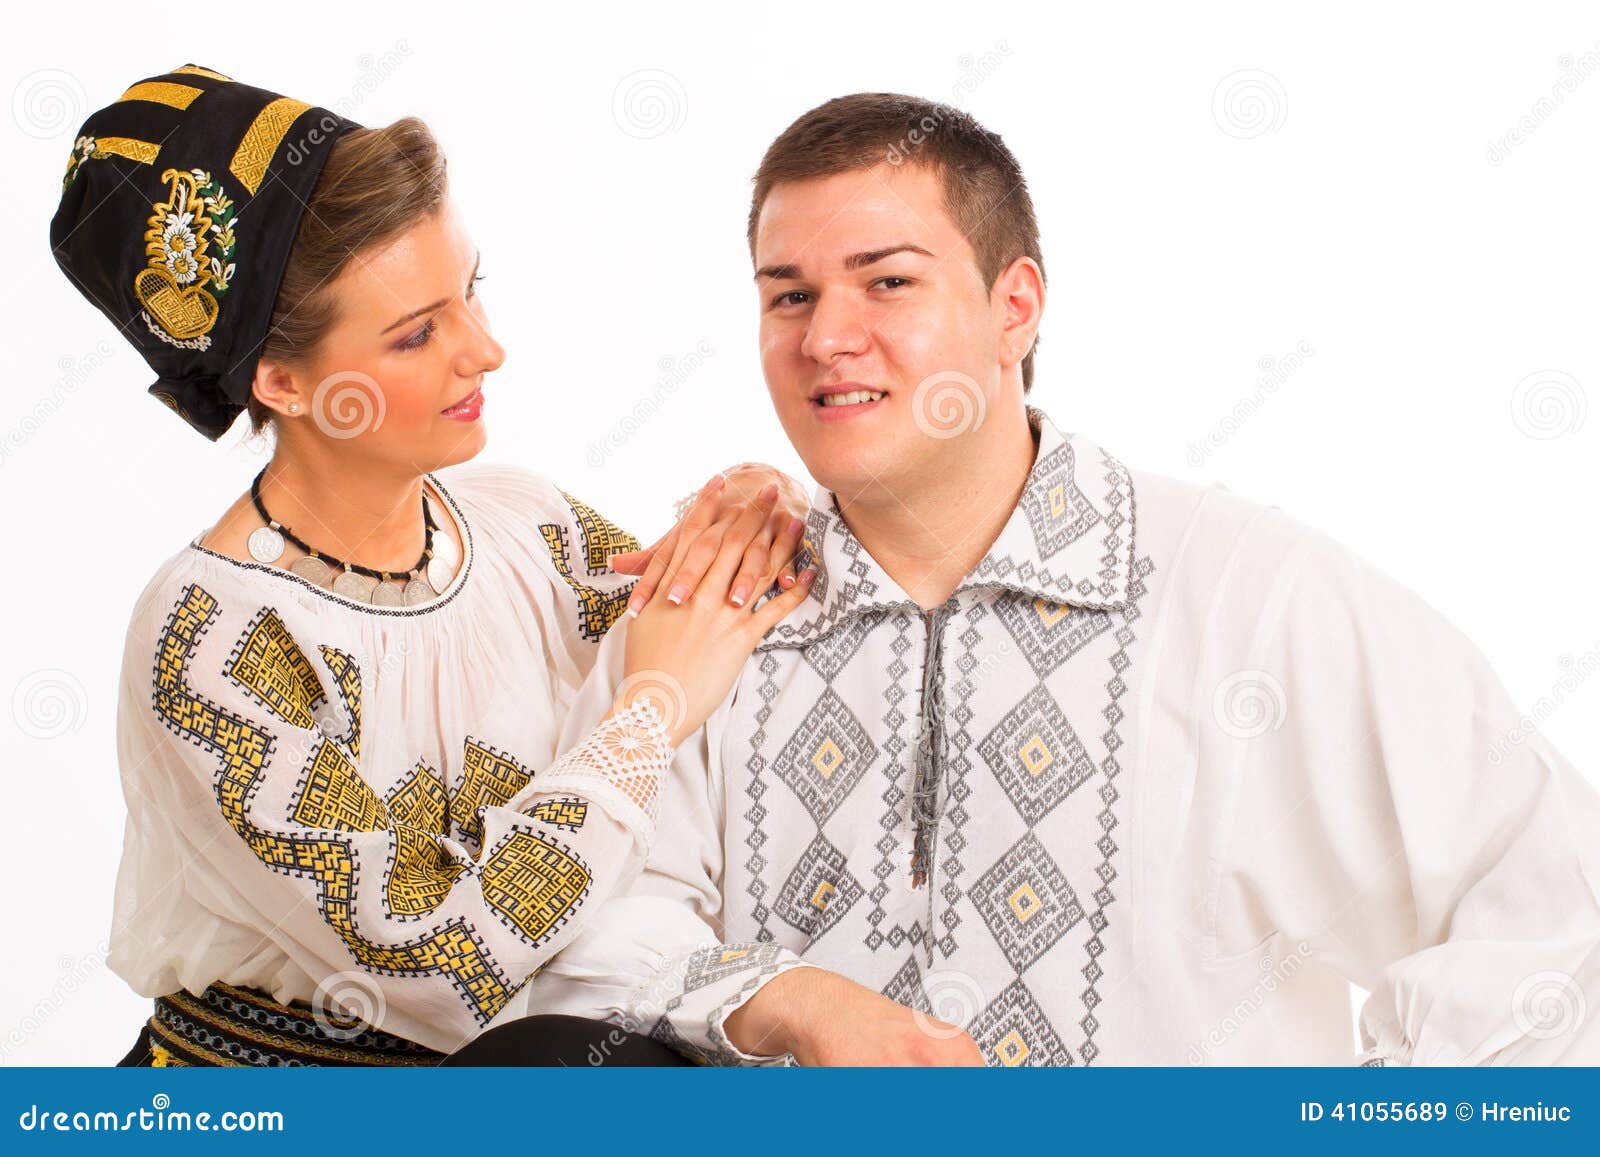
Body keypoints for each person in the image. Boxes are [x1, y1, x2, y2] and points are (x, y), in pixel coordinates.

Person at [520, 93, 1600, 1066]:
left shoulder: (1248, 595)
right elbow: (573, 945)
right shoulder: (715, 604)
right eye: (787, 296)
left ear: (1014, 306)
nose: (827, 337)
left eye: (886, 281)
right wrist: (785, 996)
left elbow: (1555, 911)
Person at [47, 63, 816, 1066]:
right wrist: (651, 709)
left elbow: (738, 655)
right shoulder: (215, 635)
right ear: (280, 380)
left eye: (471, 291)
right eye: (418, 333)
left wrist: (759, 512)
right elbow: (447, 966)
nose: (484, 350)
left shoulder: (520, 523)